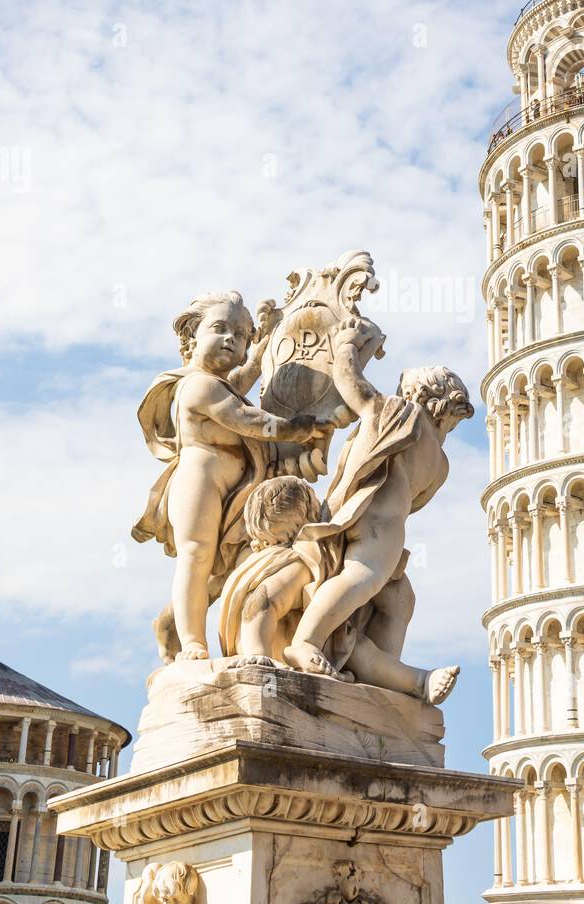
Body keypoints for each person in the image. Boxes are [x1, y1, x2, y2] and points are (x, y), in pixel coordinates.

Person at [132, 291, 330, 662]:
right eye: (220, 329)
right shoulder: (198, 385)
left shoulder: (223, 384)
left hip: (237, 491)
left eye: (240, 334)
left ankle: (170, 621)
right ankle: (193, 641)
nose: (231, 339)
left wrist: (264, 344)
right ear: (191, 338)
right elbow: (248, 420)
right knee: (196, 554)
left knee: (223, 572)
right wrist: (295, 429)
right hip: (200, 480)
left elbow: (244, 376)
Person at [282, 317, 473, 695]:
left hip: (360, 513)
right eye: (452, 419)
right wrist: (345, 348)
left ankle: (380, 672)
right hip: (381, 526)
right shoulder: (414, 423)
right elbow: (360, 396)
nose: (451, 428)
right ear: (441, 407)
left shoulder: (427, 445)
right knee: (361, 578)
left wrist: (348, 350)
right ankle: (306, 641)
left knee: (398, 598)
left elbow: (361, 398)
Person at [219, 475, 458, 703]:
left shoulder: (299, 561)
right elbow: (261, 603)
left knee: (357, 645)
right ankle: (419, 681)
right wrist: (259, 656)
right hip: (278, 651)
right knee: (361, 650)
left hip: (311, 645)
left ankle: (420, 682)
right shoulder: (296, 563)